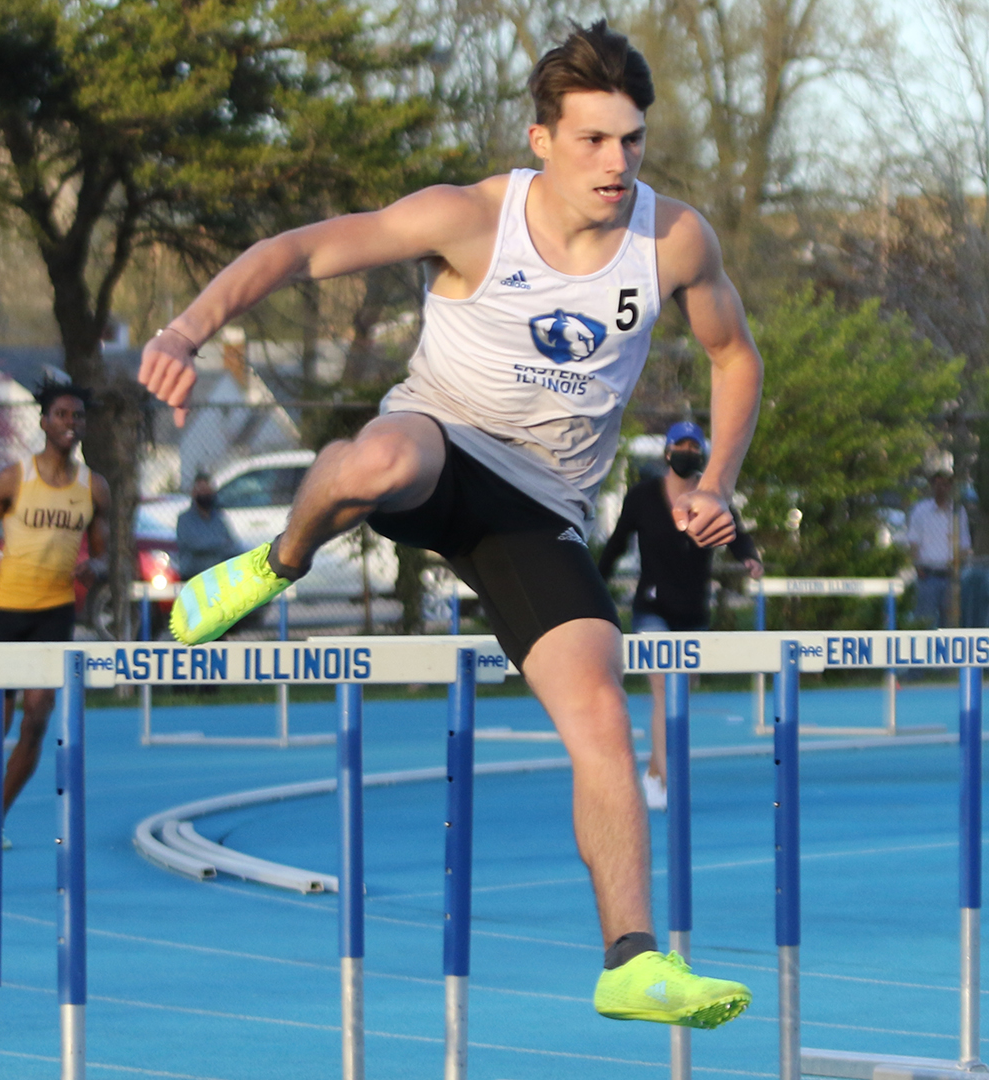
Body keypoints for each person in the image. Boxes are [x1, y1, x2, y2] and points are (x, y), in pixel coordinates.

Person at [136, 21, 759, 1030]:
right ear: (541, 139)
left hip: (540, 509)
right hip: (438, 445)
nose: (617, 163)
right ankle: (279, 561)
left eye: (632, 140)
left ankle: (632, 959)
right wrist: (187, 327)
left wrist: (717, 481)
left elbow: (736, 358)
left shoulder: (674, 239)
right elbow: (297, 252)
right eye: (594, 140)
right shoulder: (469, 218)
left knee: (599, 707)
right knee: (378, 458)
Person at [0, 381, 111, 839]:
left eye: (78, 416)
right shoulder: (13, 478)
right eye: (62, 414)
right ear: (44, 422)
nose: (70, 423)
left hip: (55, 612)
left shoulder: (93, 487)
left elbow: (102, 553)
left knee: (38, 716)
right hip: (7, 609)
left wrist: (94, 567)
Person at [598, 421, 761, 812]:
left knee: (681, 697)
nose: (687, 452)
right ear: (668, 453)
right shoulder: (642, 497)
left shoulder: (711, 497)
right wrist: (593, 581)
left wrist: (749, 557)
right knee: (662, 692)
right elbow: (618, 541)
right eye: (680, 445)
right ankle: (669, 782)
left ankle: (655, 772)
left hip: (693, 610)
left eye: (694, 446)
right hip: (653, 608)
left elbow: (734, 532)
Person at [906, 472, 969, 628]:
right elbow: (913, 542)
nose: (942, 488)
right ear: (932, 486)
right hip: (928, 576)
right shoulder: (920, 510)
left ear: (950, 487)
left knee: (950, 624)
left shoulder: (958, 512)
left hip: (950, 577)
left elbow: (965, 544)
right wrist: (918, 567)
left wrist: (958, 568)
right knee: (924, 623)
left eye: (946, 484)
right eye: (938, 484)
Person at [174, 473, 243, 579]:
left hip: (218, 573)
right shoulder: (184, 519)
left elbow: (231, 543)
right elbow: (197, 545)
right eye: (201, 490)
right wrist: (220, 544)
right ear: (194, 493)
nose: (205, 494)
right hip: (194, 574)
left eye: (207, 490)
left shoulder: (218, 517)